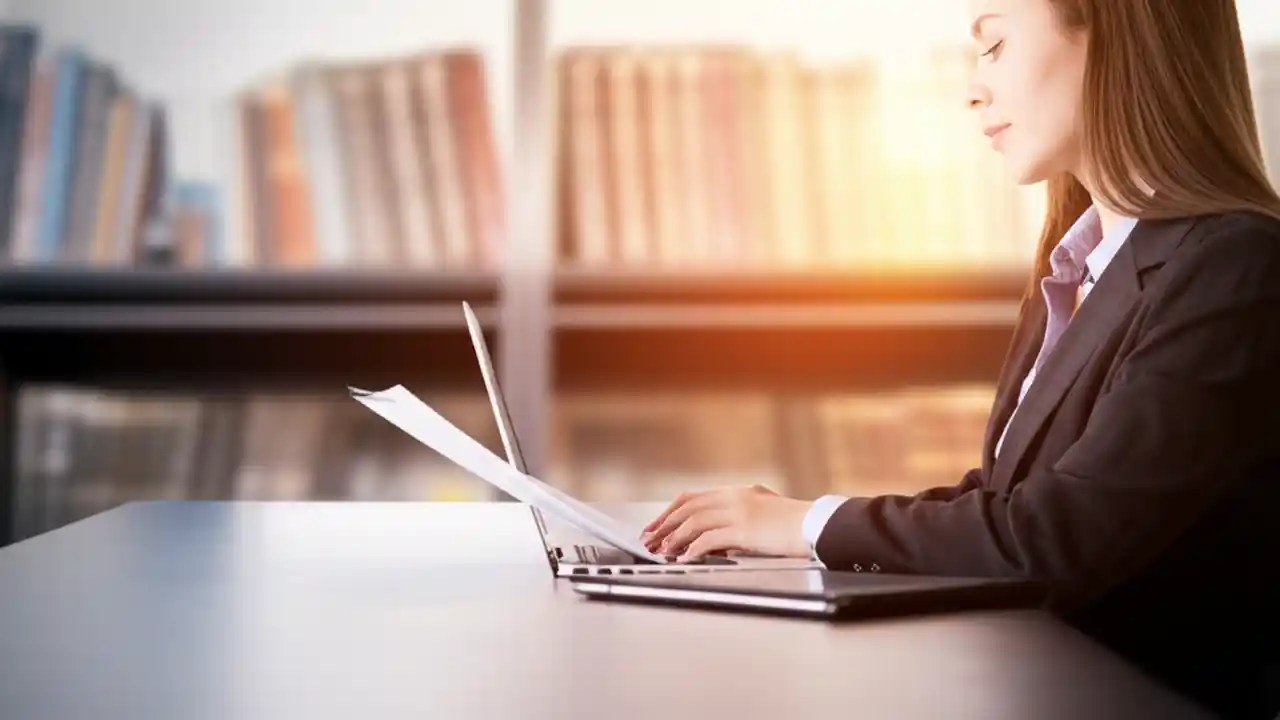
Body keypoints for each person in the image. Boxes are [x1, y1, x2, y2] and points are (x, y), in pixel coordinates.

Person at [639, 0, 1280, 716]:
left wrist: (806, 524)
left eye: (995, 46)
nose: (973, 89)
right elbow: (1003, 501)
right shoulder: (1081, 265)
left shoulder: (1237, 267)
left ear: (1112, 36)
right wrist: (792, 535)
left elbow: (1057, 535)